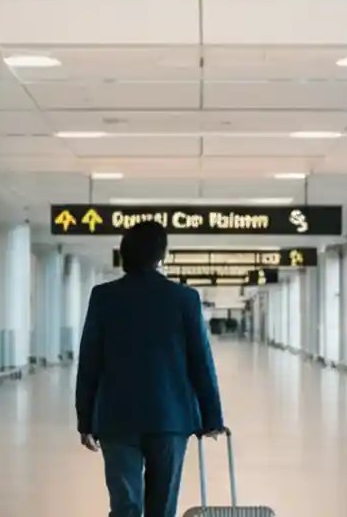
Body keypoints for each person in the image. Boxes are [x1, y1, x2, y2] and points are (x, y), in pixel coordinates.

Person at [75, 221, 226, 517]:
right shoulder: (184, 298)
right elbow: (200, 361)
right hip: (170, 418)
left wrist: (85, 420)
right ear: (161, 256)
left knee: (125, 505)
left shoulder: (104, 297)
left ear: (124, 254)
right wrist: (212, 416)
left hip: (116, 419)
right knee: (163, 507)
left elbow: (89, 360)